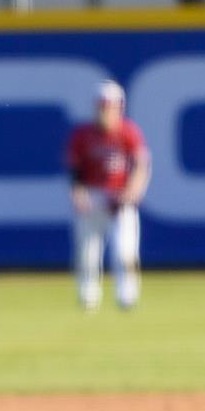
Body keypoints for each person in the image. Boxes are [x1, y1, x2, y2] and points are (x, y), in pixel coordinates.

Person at [65, 79, 151, 311]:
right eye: (103, 105)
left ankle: (127, 297)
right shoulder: (83, 135)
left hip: (119, 195)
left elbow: (141, 165)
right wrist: (78, 193)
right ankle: (88, 297)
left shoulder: (128, 132)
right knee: (87, 252)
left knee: (125, 251)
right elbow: (75, 170)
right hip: (92, 194)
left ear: (120, 107)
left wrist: (132, 192)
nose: (106, 110)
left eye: (111, 105)